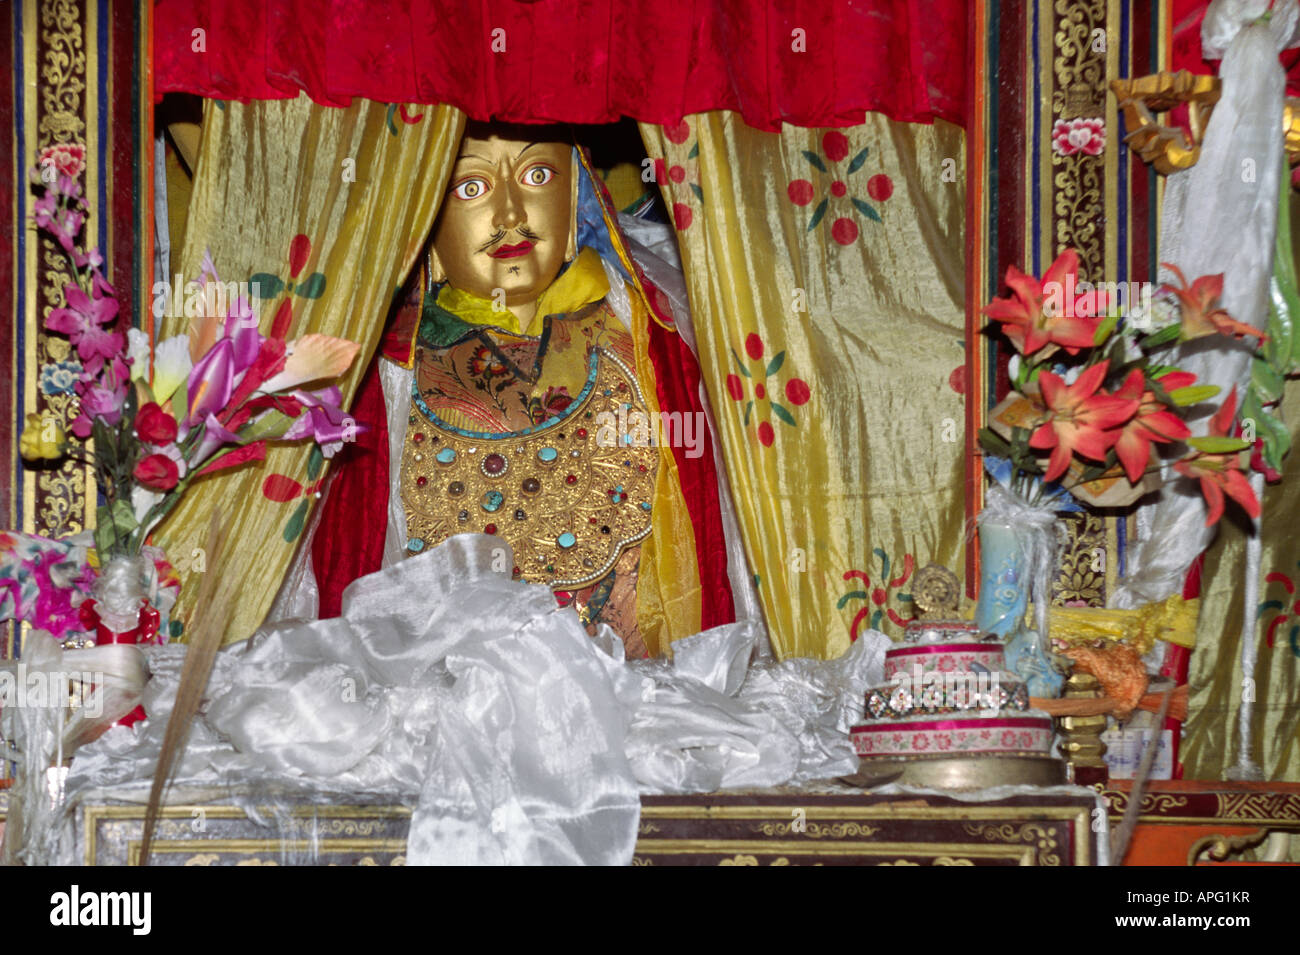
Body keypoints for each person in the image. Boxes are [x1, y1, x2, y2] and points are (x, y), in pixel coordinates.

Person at [298, 122, 746, 658]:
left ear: (575, 192)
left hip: (635, 686)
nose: (510, 214)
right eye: (471, 187)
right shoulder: (387, 367)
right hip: (443, 695)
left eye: (537, 175)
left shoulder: (656, 334)